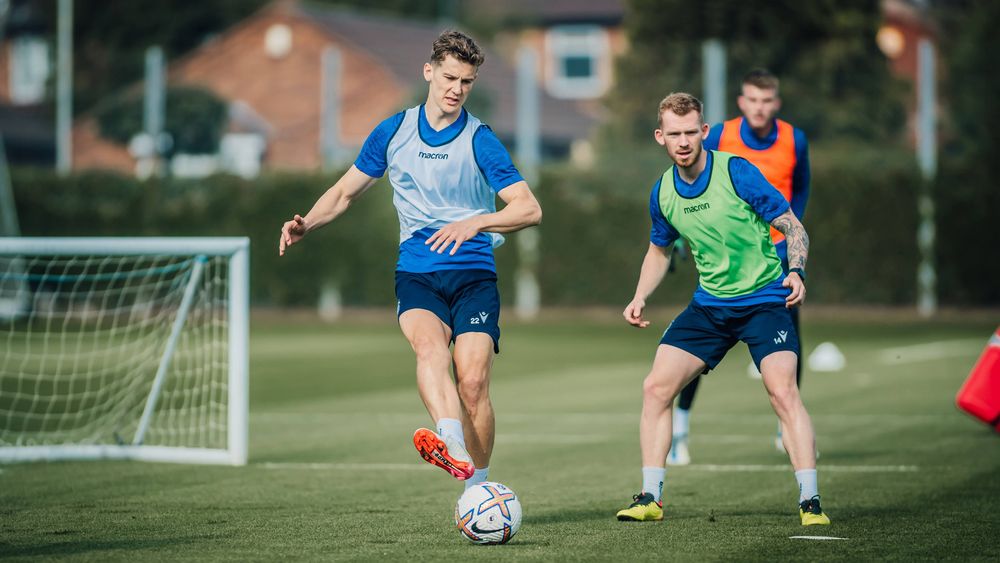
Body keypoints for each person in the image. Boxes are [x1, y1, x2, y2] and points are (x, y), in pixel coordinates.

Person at [279, 30, 542, 492]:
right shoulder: (393, 132)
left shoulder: (481, 140)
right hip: (417, 270)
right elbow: (344, 192)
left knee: (474, 383)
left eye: (466, 81)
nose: (456, 89)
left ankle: (476, 487)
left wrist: (476, 222)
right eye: (448, 77)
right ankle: (450, 442)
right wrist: (307, 224)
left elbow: (529, 209)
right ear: (429, 72)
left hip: (474, 273)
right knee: (429, 350)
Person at [614, 92, 828, 526]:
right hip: (710, 306)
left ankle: (810, 502)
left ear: (704, 131)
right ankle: (649, 497)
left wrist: (797, 270)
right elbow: (660, 250)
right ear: (660, 137)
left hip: (765, 300)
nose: (684, 141)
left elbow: (791, 224)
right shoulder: (663, 192)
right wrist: (639, 296)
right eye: (674, 133)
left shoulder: (736, 172)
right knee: (656, 387)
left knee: (782, 391)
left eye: (691, 131)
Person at [668, 69, 811, 465]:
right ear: (742, 102)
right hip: (724, 258)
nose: (759, 107)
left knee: (789, 343)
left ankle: (787, 430)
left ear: (775, 103)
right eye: (752, 99)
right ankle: (680, 429)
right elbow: (690, 185)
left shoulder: (793, 140)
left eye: (767, 101)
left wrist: (789, 242)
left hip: (777, 254)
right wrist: (683, 238)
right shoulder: (717, 137)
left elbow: (799, 190)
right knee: (693, 345)